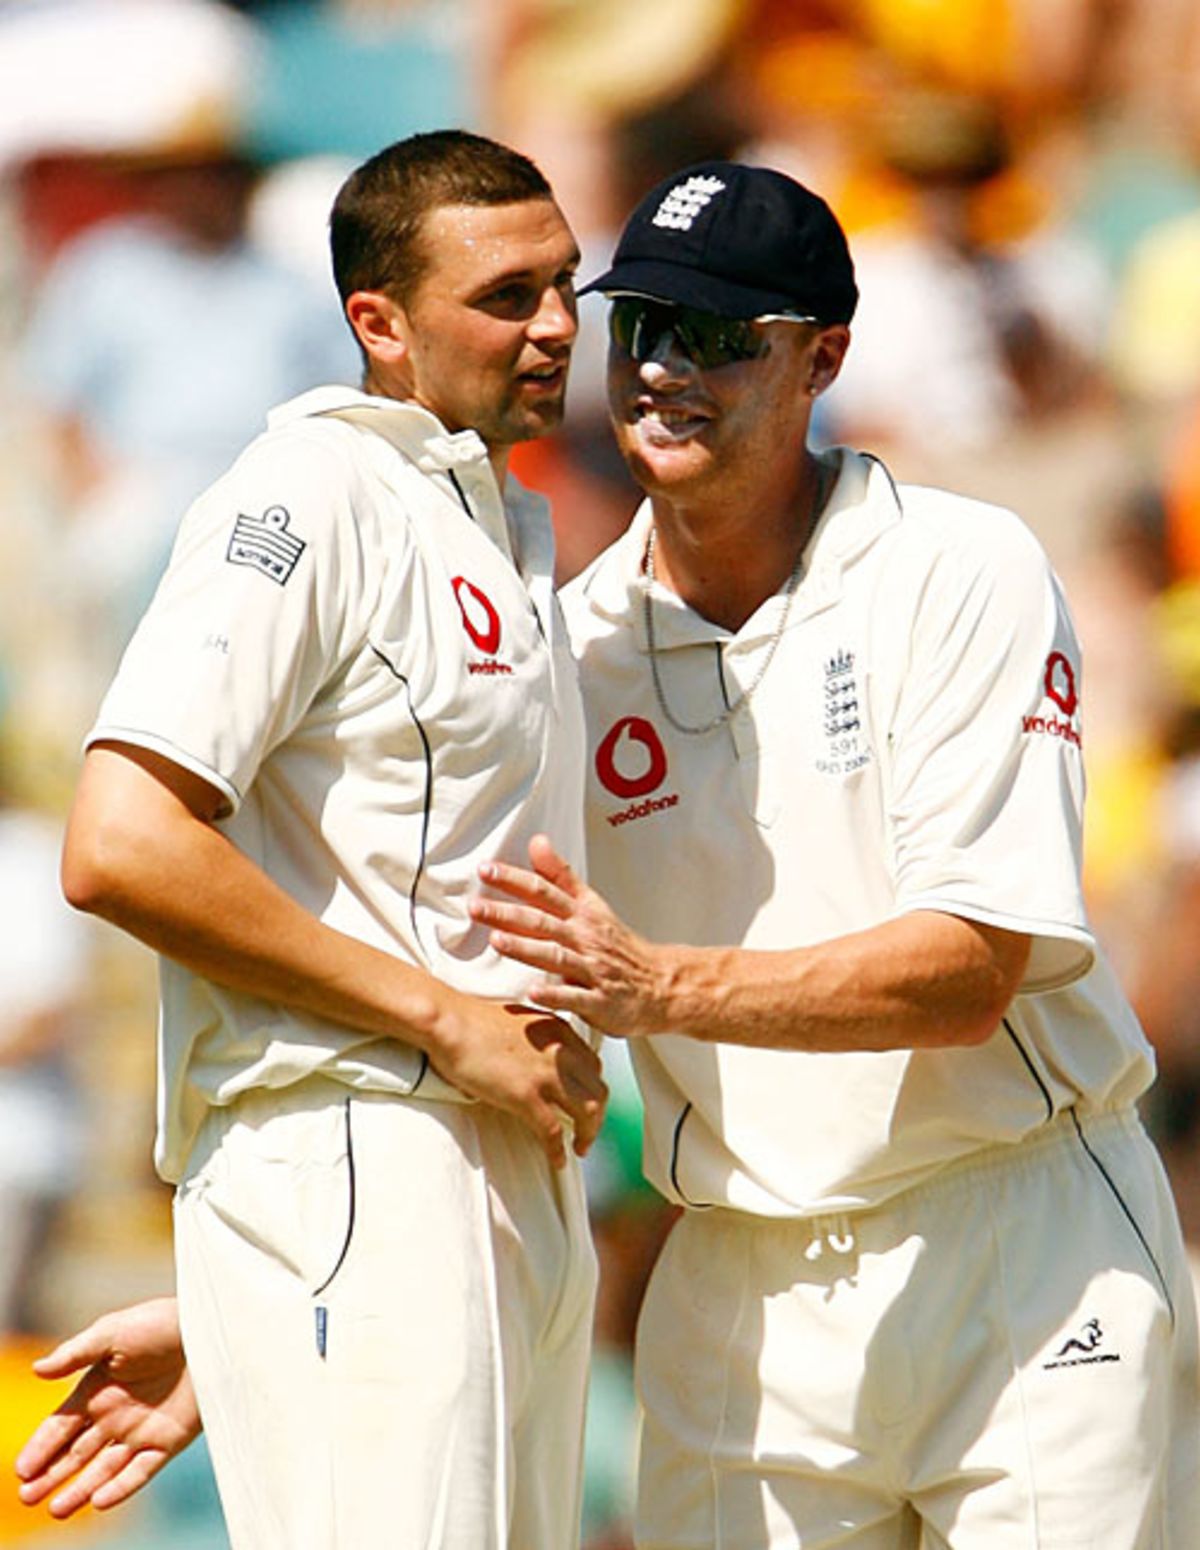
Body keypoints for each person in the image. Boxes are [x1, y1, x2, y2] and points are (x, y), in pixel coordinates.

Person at [20, 159, 1200, 1546]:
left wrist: (657, 990)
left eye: (711, 337)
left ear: (822, 354)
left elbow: (969, 970)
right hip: (738, 1293)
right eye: (639, 325)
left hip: (1015, 1238)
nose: (654, 371)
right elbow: (459, 992)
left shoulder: (958, 570)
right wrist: (259, 1310)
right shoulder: (562, 647)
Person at [23, 128, 608, 1550]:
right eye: (505, 296)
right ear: (378, 325)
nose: (553, 328)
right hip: (370, 1140)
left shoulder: (486, 518)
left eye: (564, 286)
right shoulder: (308, 492)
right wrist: (444, 1022)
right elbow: (120, 839)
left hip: (478, 1164)